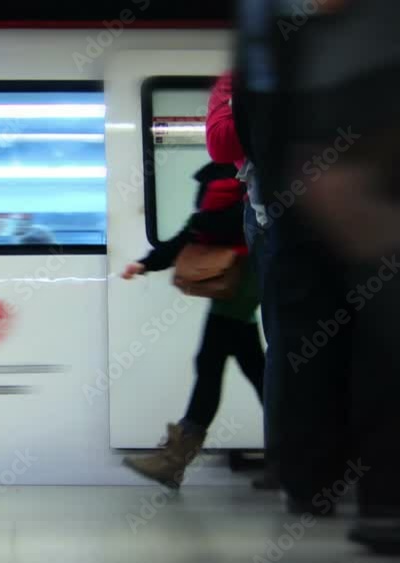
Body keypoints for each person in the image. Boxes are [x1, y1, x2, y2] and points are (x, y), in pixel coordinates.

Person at [233, 0, 400, 552]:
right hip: (368, 162)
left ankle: (310, 483)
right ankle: (383, 500)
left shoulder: (261, 18)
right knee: (378, 329)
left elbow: (250, 105)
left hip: (294, 185)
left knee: (301, 337)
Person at [119, 160, 264, 489]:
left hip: (238, 288)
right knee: (257, 371)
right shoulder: (232, 195)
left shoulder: (225, 197)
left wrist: (145, 264)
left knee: (210, 364)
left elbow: (190, 235)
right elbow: (184, 239)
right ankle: (298, 457)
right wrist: (143, 264)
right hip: (240, 285)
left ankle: (174, 460)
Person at [206, 69, 280, 491]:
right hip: (275, 217)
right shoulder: (239, 79)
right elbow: (220, 142)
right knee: (287, 339)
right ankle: (294, 458)